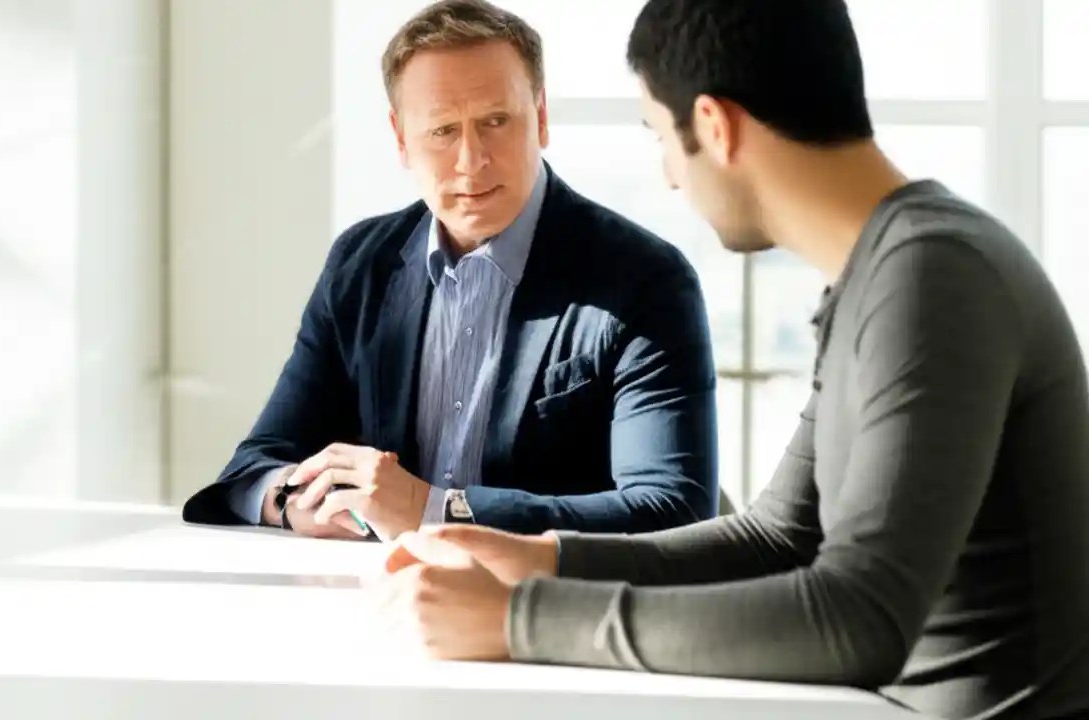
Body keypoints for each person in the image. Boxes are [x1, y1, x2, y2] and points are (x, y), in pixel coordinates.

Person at [377, 2, 1089, 719]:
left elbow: (858, 618)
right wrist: (545, 558)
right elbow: (775, 537)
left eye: (662, 137)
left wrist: (519, 620)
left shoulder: (933, 279)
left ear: (714, 128)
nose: (670, 177)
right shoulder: (889, 271)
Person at [182, 0, 718, 541]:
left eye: (495, 121)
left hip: (547, 614)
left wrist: (439, 510)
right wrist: (294, 501)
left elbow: (672, 511)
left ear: (542, 117)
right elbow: (254, 468)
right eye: (442, 130)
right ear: (400, 138)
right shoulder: (360, 264)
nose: (471, 159)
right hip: (369, 600)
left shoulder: (646, 279)